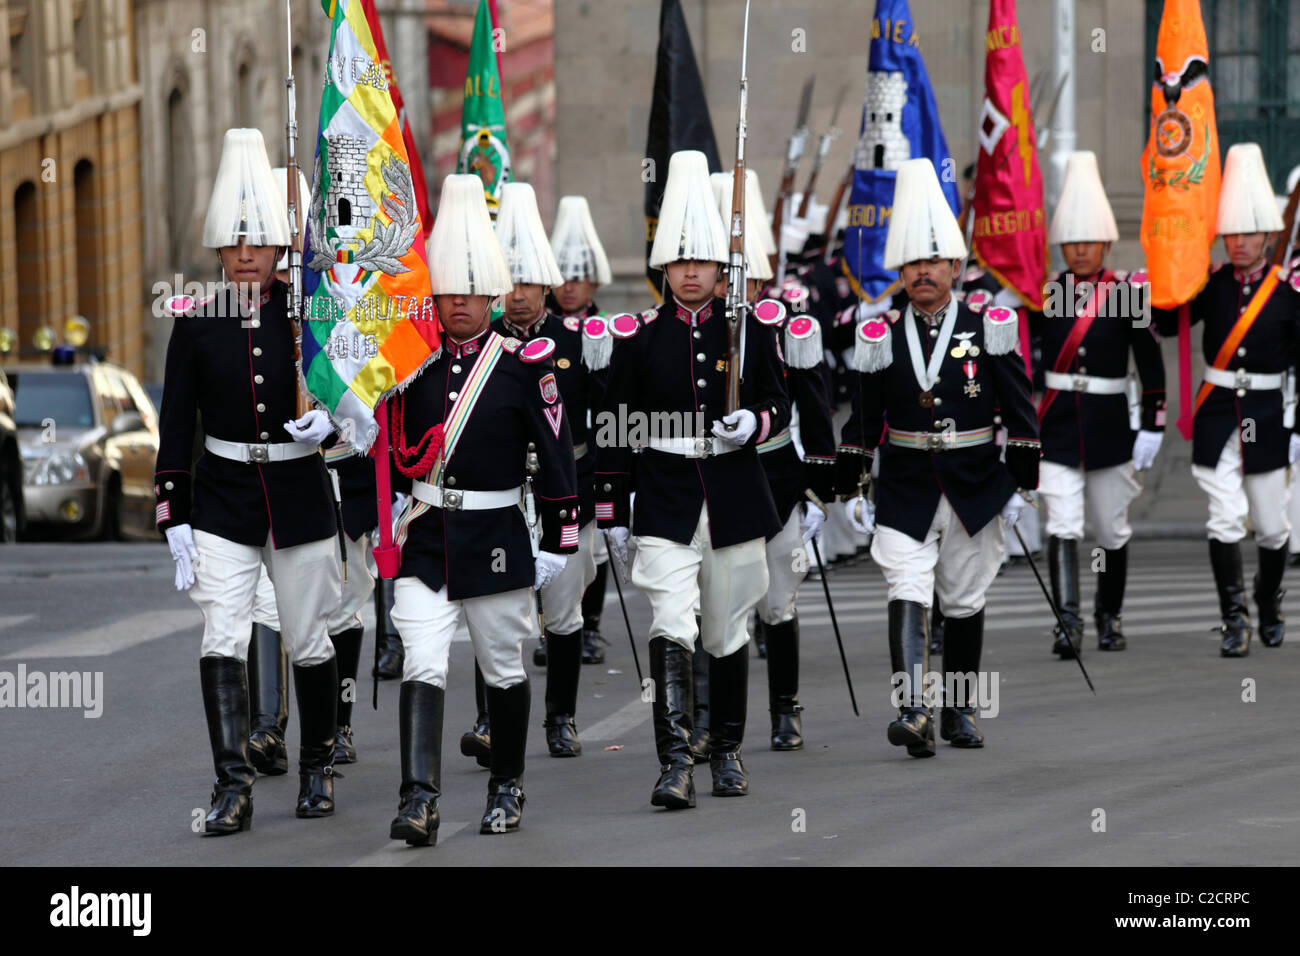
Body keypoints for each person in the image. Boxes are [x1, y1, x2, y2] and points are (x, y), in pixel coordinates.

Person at [157, 128, 342, 833]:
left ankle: (318, 764)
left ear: (277, 250)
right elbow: (176, 425)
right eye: (232, 246)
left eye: (256, 244)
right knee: (221, 637)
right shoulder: (196, 325)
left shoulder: (310, 316)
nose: (243, 256)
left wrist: (330, 427)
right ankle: (232, 784)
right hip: (225, 500)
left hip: (298, 497)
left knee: (308, 637)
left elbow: (355, 404)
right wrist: (174, 511)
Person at [386, 174, 579, 845]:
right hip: (426, 532)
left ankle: (508, 784)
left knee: (502, 665)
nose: (458, 303)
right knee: (422, 658)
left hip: (497, 532)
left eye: (470, 292)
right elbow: (385, 444)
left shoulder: (525, 365)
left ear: (492, 293)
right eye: (447, 292)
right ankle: (419, 799)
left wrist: (561, 534)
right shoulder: (409, 364)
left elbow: (557, 454)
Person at [595, 150, 790, 807]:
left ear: (721, 267)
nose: (688, 274)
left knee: (727, 629)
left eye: (700, 262)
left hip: (733, 495)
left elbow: (781, 405)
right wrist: (612, 509)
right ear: (664, 269)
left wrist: (754, 423)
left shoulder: (750, 332)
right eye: (678, 263)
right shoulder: (641, 337)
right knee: (670, 623)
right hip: (666, 498)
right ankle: (674, 762)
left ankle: (727, 752)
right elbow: (614, 423)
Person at [837, 158, 1040, 757]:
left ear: (956, 266)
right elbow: (864, 419)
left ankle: (958, 710)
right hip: (903, 484)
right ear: (900, 270)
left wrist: (1020, 486)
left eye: (934, 262)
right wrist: (851, 487)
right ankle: (912, 710)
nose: (923, 273)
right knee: (906, 584)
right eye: (913, 264)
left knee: (963, 598)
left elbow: (1020, 412)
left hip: (975, 482)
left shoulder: (991, 326)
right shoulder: (877, 336)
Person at [241, 167, 377, 775]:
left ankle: (338, 726)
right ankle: (268, 726)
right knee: (270, 607)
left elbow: (375, 386)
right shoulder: (255, 307)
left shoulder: (343, 296)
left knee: (340, 608)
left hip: (341, 476)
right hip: (277, 482)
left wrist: (340, 418)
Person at [1154, 143, 1300, 657]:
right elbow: (1161, 323)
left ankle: (1268, 598)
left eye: (1248, 234)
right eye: (1231, 234)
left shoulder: (1287, 292)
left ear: (1266, 235)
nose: (1238, 243)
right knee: (1223, 518)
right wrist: (1168, 272)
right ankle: (1233, 618)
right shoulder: (1209, 285)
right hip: (1217, 414)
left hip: (1267, 414)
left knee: (1274, 524)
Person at [710, 169, 837, 753]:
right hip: (713, 480)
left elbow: (814, 409)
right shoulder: (693, 333)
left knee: (778, 598)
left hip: (779, 477)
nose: (739, 287)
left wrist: (821, 488)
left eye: (748, 276)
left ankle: (786, 709)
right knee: (717, 602)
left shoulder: (786, 326)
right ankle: (711, 717)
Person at [483, 181, 605, 758]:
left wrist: (604, 504)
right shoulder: (481, 347)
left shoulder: (576, 342)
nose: (518, 296)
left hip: (565, 491)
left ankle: (561, 717)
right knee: (495, 609)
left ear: (547, 285)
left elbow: (603, 424)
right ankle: (491, 722)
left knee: (563, 610)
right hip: (502, 493)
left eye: (529, 283)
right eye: (508, 283)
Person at [1030, 151, 1166, 657]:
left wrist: (1153, 424)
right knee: (1061, 523)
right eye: (1072, 242)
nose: (1080, 251)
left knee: (1110, 529)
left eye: (1089, 242)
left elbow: (1150, 366)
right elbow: (1028, 363)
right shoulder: (1045, 294)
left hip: (1111, 428)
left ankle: (1109, 616)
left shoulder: (1128, 295)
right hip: (1058, 427)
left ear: (1106, 243)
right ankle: (1068, 623)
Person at [550, 195, 616, 668]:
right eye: (562, 278)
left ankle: (587, 625)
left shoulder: (599, 331)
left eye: (578, 278)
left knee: (589, 552)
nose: (569, 288)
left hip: (583, 459)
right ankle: (552, 624)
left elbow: (608, 405)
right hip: (543, 462)